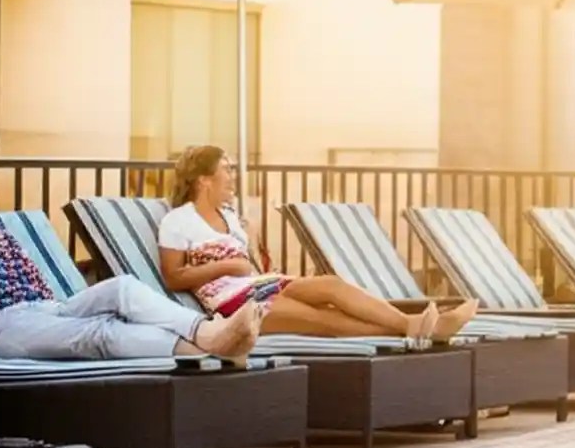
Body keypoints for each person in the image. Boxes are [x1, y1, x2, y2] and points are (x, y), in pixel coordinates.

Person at [0, 147, 260, 363]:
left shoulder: (1, 230)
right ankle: (203, 350)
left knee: (121, 288)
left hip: (48, 309)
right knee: (100, 333)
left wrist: (61, 310)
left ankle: (206, 332)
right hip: (1, 328)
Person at [156, 145, 478, 341]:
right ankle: (418, 328)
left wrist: (247, 247)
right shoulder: (178, 221)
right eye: (226, 169)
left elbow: (250, 266)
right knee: (321, 318)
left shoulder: (229, 215)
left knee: (331, 287)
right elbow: (172, 277)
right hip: (232, 305)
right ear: (203, 179)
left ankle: (412, 324)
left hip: (257, 284)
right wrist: (229, 265)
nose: (234, 175)